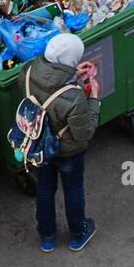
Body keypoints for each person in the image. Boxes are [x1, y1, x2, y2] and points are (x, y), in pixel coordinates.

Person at [22, 33, 101, 253]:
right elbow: (84, 133)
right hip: (68, 151)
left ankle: (47, 237)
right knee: (73, 189)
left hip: (39, 145)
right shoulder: (74, 97)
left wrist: (71, 73)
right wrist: (94, 99)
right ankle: (78, 234)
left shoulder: (28, 71)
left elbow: (47, 84)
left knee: (45, 189)